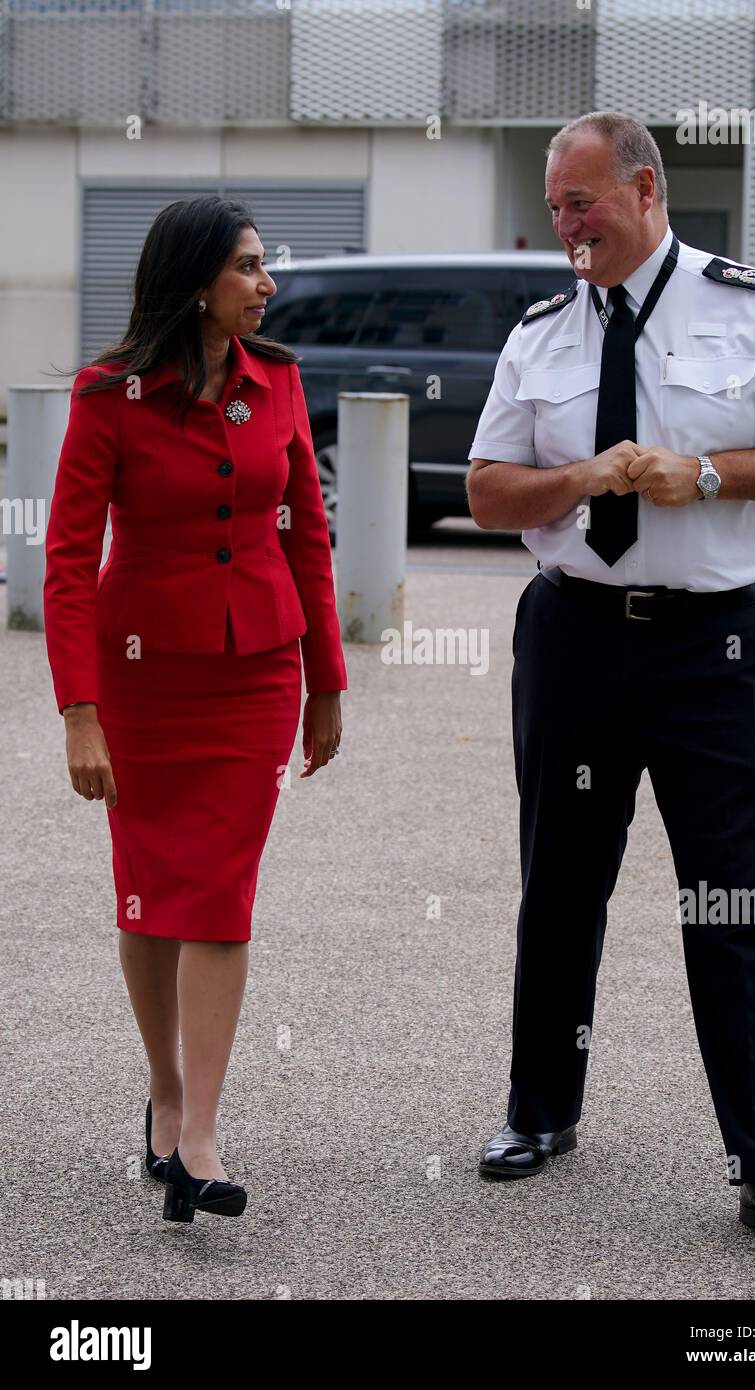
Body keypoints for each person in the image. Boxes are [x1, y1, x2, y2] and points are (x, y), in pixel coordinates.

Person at [466, 112, 755, 1235]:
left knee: (735, 896)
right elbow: (490, 491)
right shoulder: (540, 330)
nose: (565, 224)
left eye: (582, 202)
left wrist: (708, 473)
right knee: (561, 881)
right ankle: (539, 1109)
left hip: (714, 649)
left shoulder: (751, 305)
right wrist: (584, 476)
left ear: (645, 190)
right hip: (575, 635)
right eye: (553, 207)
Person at [43, 195, 347, 1224]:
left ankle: (201, 1134)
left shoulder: (285, 382)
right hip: (142, 679)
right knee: (150, 886)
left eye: (265, 267)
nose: (267, 284)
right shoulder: (108, 393)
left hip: (255, 673)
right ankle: (164, 1098)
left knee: (220, 889)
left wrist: (327, 681)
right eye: (249, 268)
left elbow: (309, 533)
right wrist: (78, 710)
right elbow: (68, 560)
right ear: (196, 284)